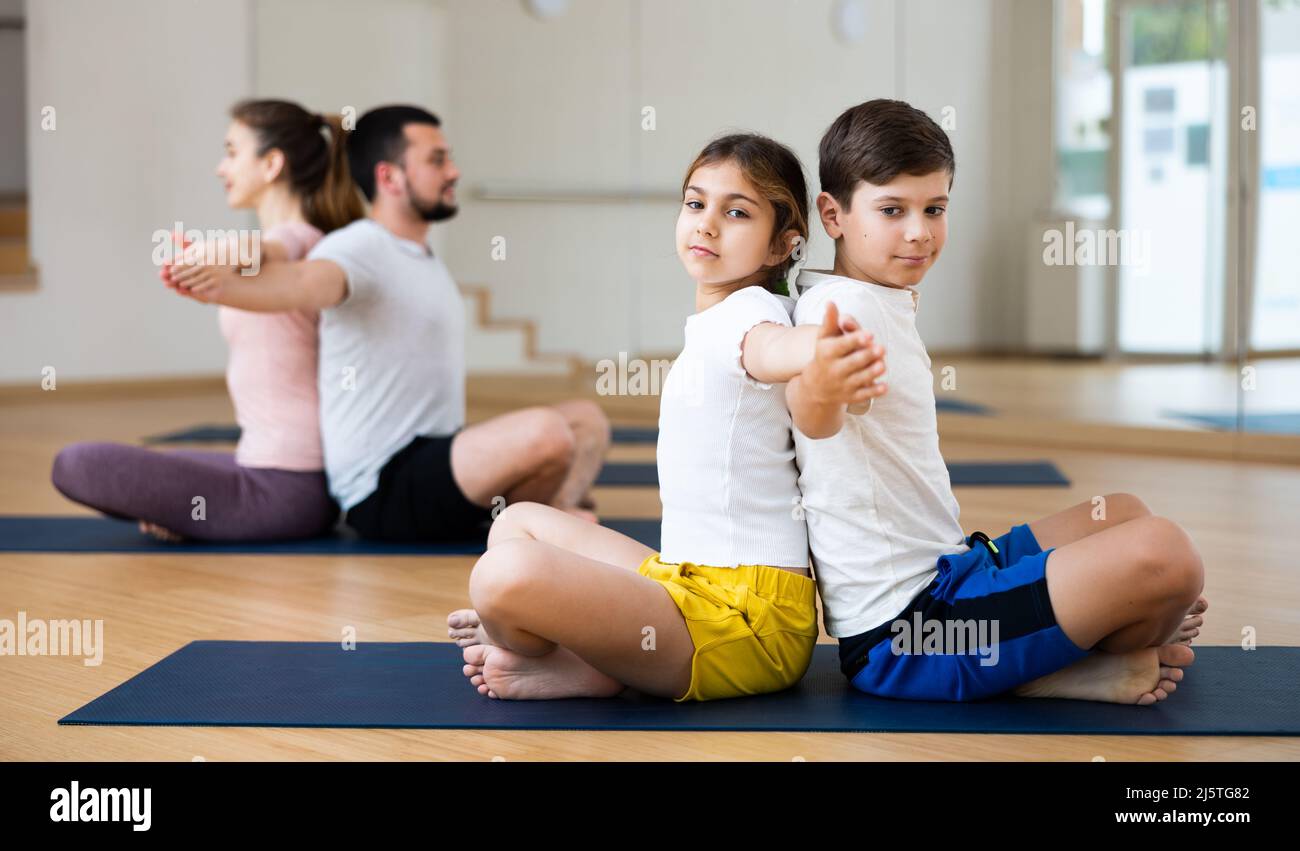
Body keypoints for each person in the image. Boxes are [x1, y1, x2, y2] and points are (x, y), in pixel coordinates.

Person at [786, 99, 1207, 705]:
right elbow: (813, 412)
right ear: (834, 214)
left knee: (1122, 511)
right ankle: (1055, 670)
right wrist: (822, 388)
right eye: (892, 210)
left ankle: (1094, 628)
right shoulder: (842, 317)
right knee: (1169, 558)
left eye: (934, 208)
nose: (919, 231)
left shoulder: (865, 294)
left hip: (953, 571)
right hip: (910, 637)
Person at [447, 133, 884, 701]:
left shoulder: (748, 316)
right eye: (696, 204)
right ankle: (586, 656)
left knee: (500, 577)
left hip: (746, 625)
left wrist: (821, 351)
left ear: (782, 246)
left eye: (736, 213)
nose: (706, 224)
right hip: (689, 584)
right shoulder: (723, 316)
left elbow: (774, 349)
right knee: (515, 524)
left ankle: (574, 661)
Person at [166, 105, 610, 543]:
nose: (454, 172)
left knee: (587, 422)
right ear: (389, 177)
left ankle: (548, 517)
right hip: (382, 487)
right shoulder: (359, 247)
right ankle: (538, 529)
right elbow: (303, 282)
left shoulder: (419, 255)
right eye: (437, 160)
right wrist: (213, 287)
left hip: (435, 460)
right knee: (546, 432)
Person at [51, 99, 357, 541]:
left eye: (232, 152)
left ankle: (196, 513)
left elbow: (272, 249)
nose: (220, 167)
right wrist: (213, 261)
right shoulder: (301, 245)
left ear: (272, 164)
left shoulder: (296, 241)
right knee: (158, 462)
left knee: (74, 464)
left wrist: (225, 251)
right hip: (278, 471)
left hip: (286, 489)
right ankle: (191, 508)